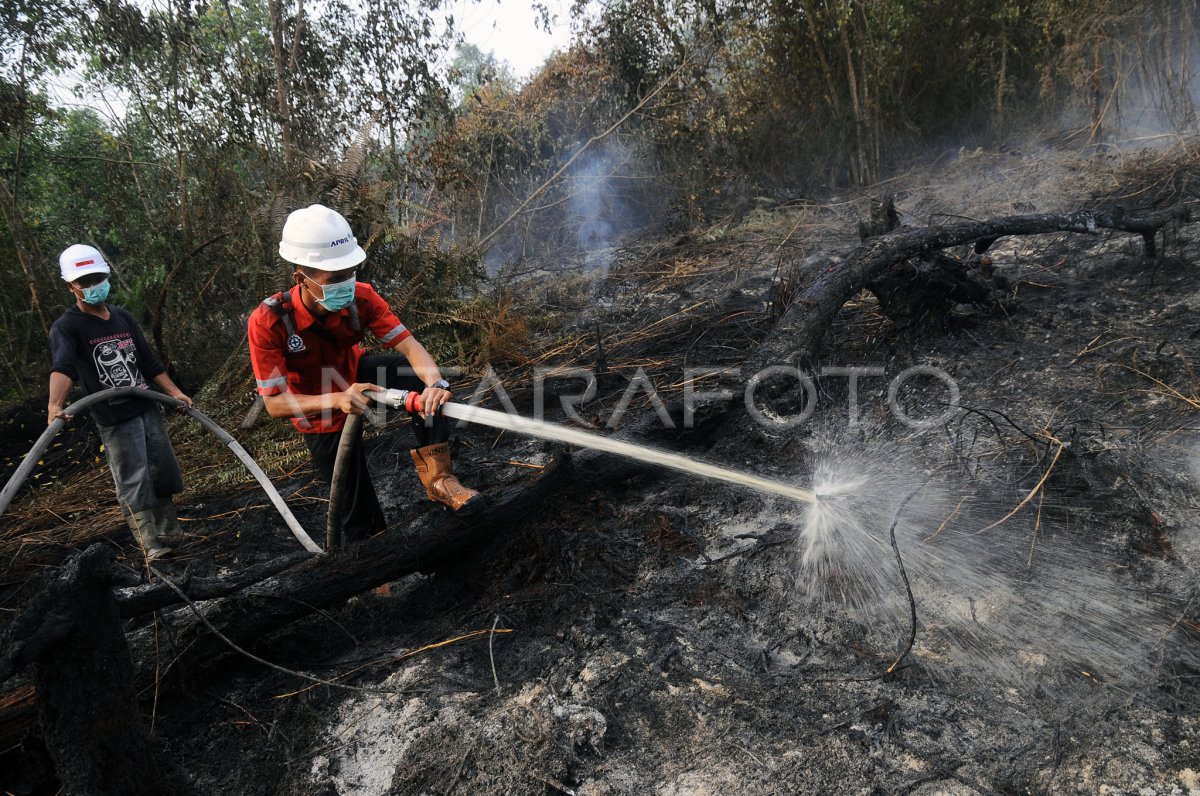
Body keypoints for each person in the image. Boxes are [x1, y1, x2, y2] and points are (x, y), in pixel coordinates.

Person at [247, 204, 482, 544]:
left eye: (349, 273)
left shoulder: (361, 298)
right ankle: (371, 566)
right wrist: (339, 398)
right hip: (318, 407)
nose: (345, 284)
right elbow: (276, 404)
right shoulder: (269, 321)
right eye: (334, 278)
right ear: (301, 279)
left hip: (356, 375)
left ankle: (441, 480)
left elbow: (411, 348)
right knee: (353, 502)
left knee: (415, 378)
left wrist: (436, 383)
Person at [47, 244, 194, 561]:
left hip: (147, 407)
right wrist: (54, 405)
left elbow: (148, 362)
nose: (92, 286)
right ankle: (150, 543)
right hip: (116, 417)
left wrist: (173, 393)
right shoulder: (68, 326)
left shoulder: (122, 318)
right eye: (84, 281)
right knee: (133, 479)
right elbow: (63, 367)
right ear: (70, 286)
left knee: (164, 471)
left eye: (96, 277)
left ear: (106, 275)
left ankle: (170, 531)